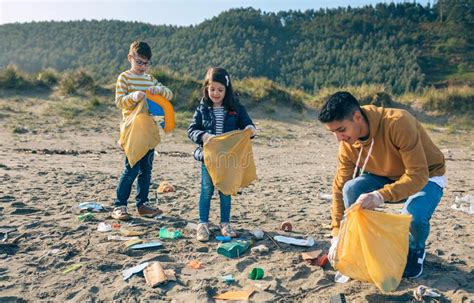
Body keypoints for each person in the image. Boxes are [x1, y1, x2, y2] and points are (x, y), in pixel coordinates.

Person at [319, 91, 446, 278]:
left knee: (414, 218)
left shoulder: (399, 123)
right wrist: (337, 234)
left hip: (427, 175)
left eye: (341, 130)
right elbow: (339, 188)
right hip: (385, 176)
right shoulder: (347, 145)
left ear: (357, 117)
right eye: (333, 132)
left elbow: (417, 175)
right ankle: (365, 244)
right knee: (350, 189)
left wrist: (380, 196)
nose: (339, 138)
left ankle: (416, 249)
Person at [187, 67, 257, 242]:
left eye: (220, 90)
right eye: (212, 89)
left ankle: (225, 223)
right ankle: (202, 223)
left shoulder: (235, 108)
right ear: (206, 89)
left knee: (226, 191)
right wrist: (202, 136)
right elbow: (192, 130)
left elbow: (247, 124)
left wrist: (250, 129)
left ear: (227, 90)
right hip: (208, 159)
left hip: (228, 160)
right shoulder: (202, 108)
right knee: (206, 190)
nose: (216, 93)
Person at [112, 41, 174, 221]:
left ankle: (142, 205)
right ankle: (119, 205)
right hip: (132, 131)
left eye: (146, 63)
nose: (143, 67)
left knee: (146, 169)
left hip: (150, 131)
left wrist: (159, 89)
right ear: (130, 58)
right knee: (130, 168)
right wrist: (133, 96)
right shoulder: (124, 77)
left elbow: (169, 95)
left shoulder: (150, 79)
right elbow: (119, 101)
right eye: (139, 62)